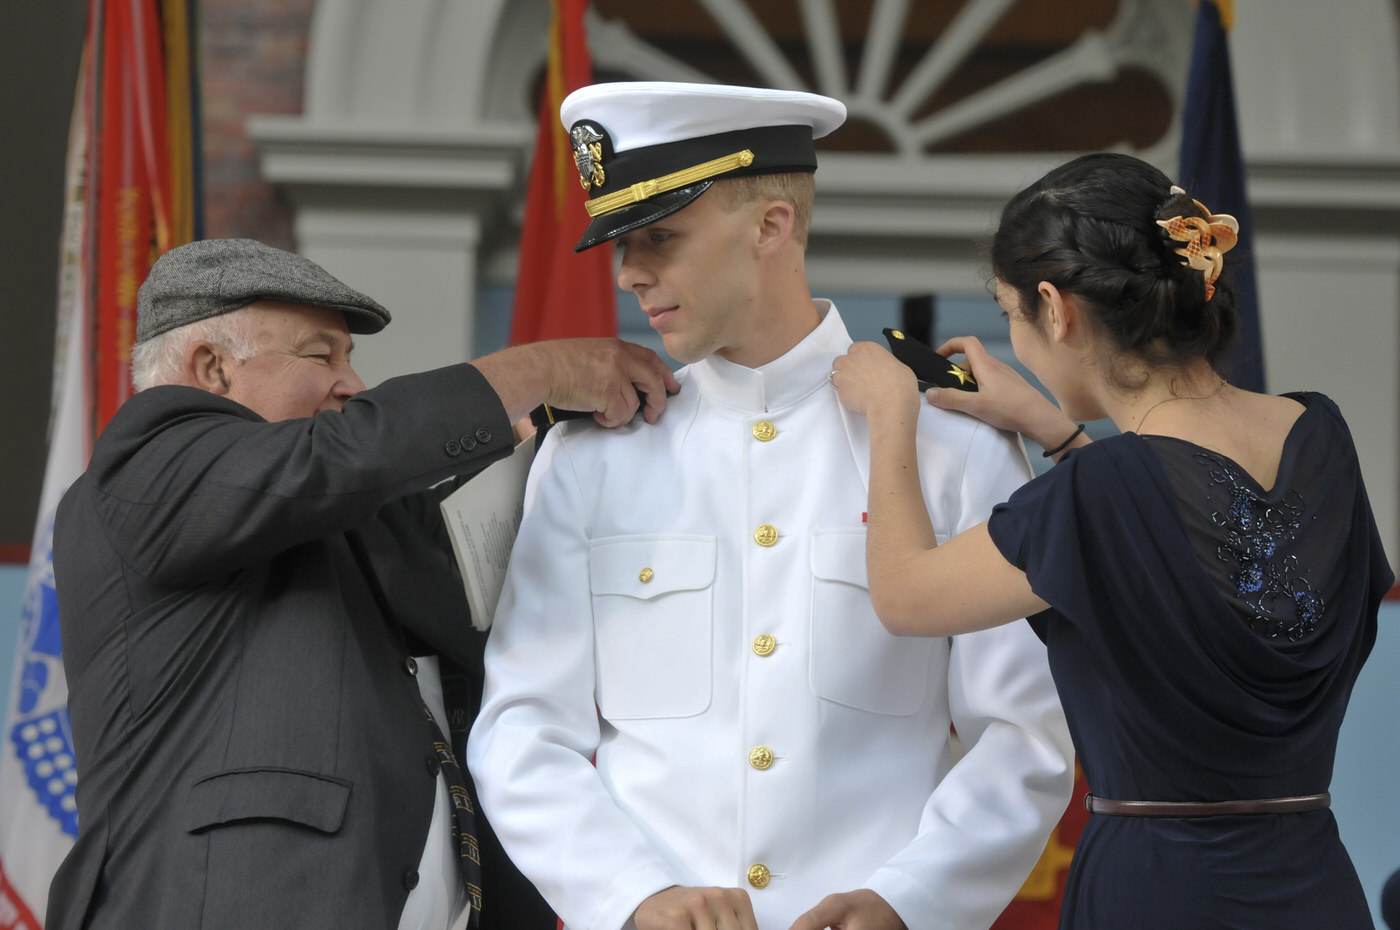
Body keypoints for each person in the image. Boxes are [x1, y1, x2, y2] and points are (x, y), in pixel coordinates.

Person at [465, 82, 1074, 930]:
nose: (631, 271)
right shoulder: (588, 456)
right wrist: (630, 896)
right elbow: (523, 729)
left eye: (660, 236)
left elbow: (1024, 732)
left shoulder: (953, 444)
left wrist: (911, 901)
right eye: (621, 244)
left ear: (771, 225)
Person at [46, 238, 680, 930]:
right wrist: (545, 369)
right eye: (321, 355)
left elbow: (458, 563)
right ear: (213, 368)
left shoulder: (340, 514)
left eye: (350, 358)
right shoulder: (150, 463)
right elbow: (351, 458)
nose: (352, 383)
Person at [831, 152, 1392, 929]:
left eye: (1011, 315)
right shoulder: (1320, 432)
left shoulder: (1094, 496)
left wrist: (893, 413)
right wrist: (1052, 429)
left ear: (1056, 309)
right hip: (1314, 881)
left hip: (1160, 889)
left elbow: (903, 595)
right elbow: (1196, 549)